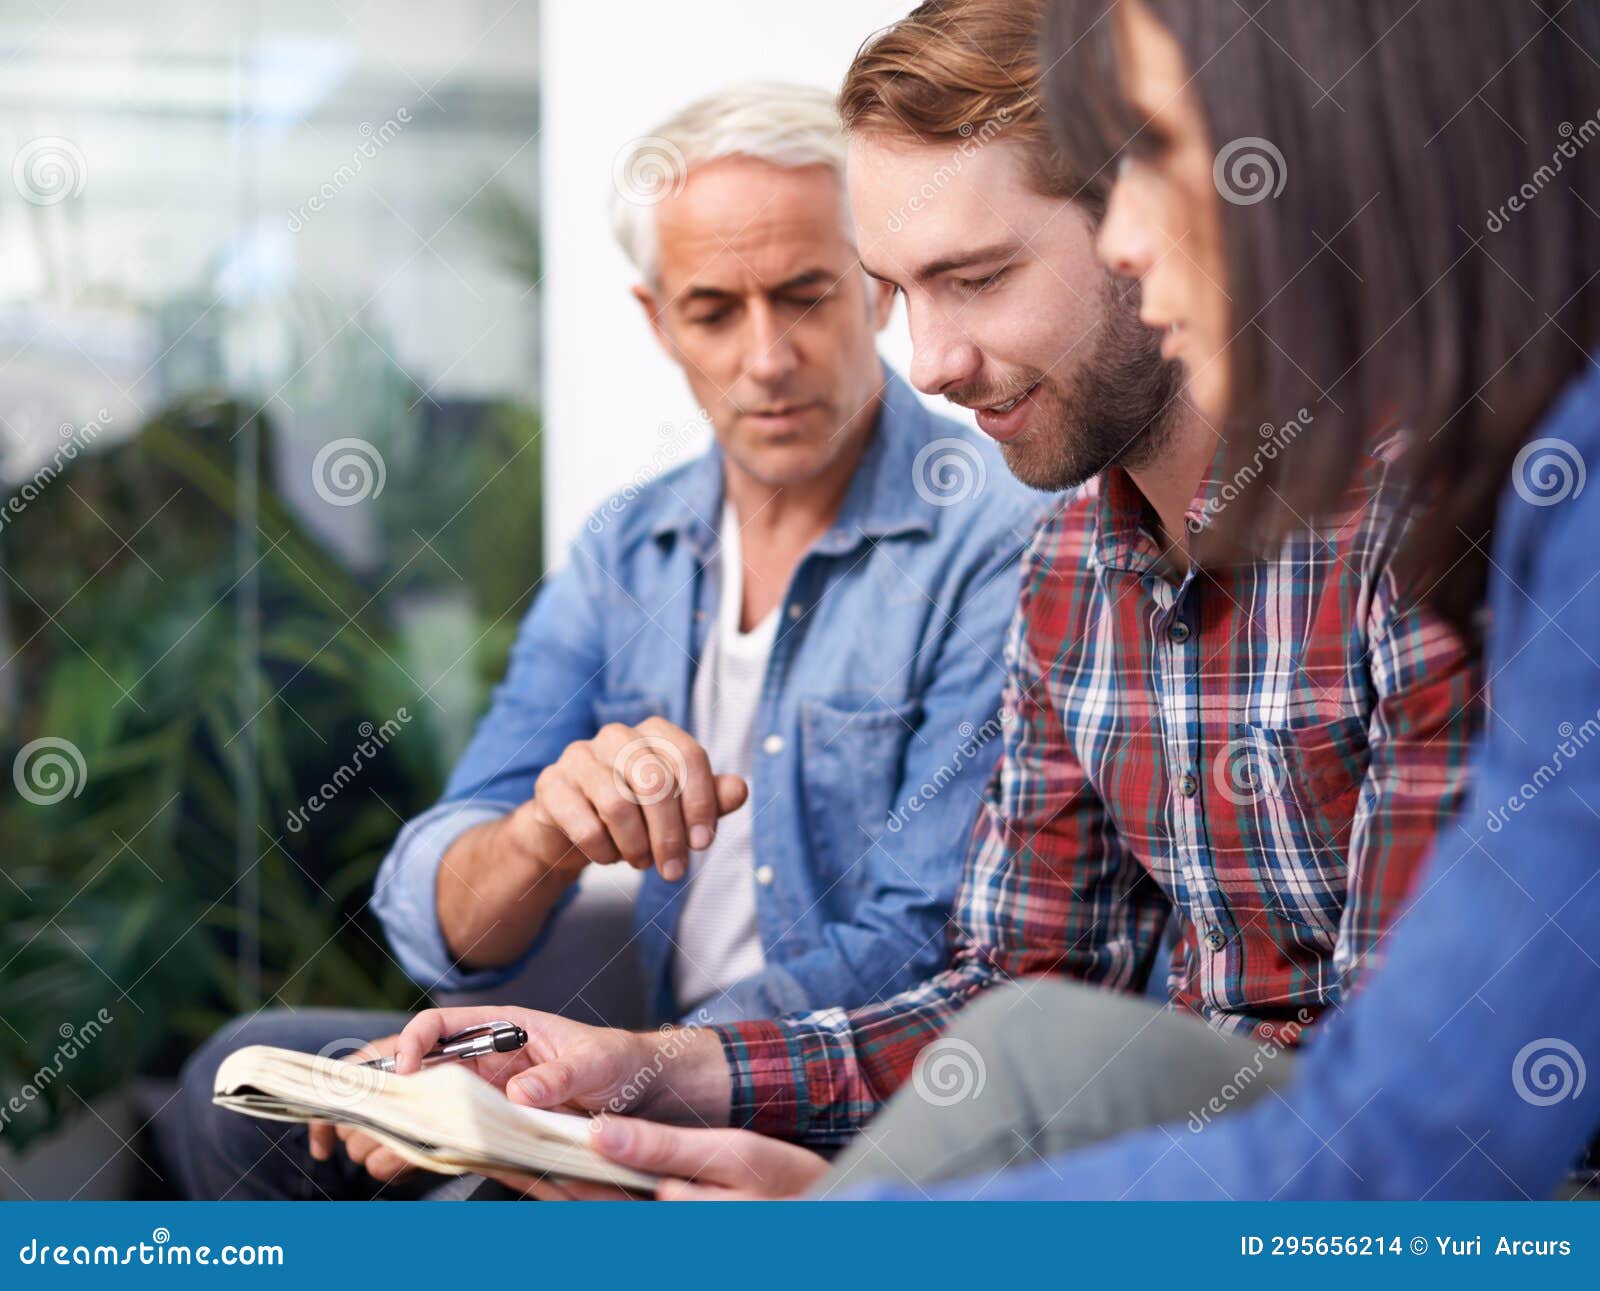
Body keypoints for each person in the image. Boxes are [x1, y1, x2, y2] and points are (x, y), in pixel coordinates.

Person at [382, 0, 1482, 1201]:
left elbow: (1415, 1075)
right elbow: (1004, 982)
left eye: (977, 277)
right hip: (1151, 1160)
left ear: (1151, 222)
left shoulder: (1423, 527)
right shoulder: (1070, 560)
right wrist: (654, 1067)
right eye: (900, 292)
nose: (933, 363)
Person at [172, 82, 1045, 1201]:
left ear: (874, 288)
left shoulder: (993, 532)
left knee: (479, 1198)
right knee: (236, 1091)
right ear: (657, 320)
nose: (766, 357)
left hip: (852, 1088)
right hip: (649, 1049)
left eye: (805, 295)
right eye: (715, 310)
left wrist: (624, 1072)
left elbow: (923, 942)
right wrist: (540, 835)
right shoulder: (627, 550)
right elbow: (437, 905)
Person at [873, 0, 1600, 1199]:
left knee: (1031, 1061)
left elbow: (1412, 1130)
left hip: (1456, 1190)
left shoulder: (1496, 507)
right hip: (1328, 1154)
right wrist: (686, 1075)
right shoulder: (1068, 559)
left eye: (1157, 150)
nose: (1124, 235)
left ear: (1335, 133)